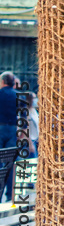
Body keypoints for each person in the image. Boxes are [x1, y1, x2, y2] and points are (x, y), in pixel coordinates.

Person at [0, 72, 19, 201]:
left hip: (0, 128)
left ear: (3, 82)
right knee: (10, 162)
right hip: (13, 130)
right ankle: (9, 195)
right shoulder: (17, 95)